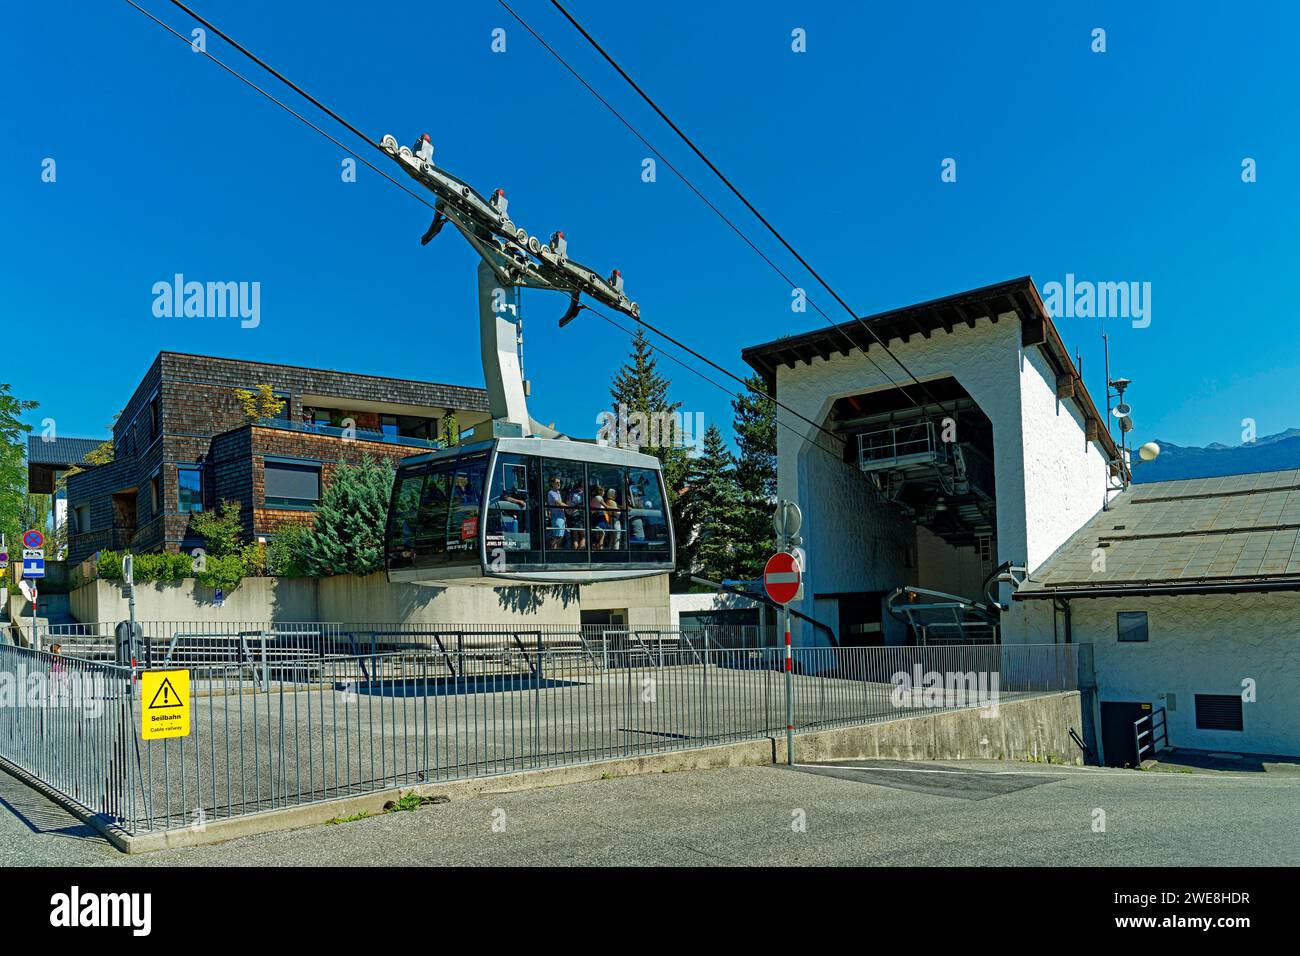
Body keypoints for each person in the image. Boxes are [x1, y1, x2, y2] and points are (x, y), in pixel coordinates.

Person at [546, 477, 566, 549]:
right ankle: (553, 553)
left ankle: (556, 551)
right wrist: (569, 507)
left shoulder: (558, 493)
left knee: (560, 536)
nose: (558, 484)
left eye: (559, 482)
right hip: (557, 517)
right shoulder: (551, 493)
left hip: (562, 517)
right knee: (557, 536)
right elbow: (558, 503)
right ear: (552, 483)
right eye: (556, 482)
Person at [566, 483, 585, 550]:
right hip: (581, 516)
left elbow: (568, 508)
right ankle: (581, 554)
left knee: (575, 538)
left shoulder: (571, 494)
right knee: (583, 537)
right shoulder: (582, 493)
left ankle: (575, 554)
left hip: (573, 516)